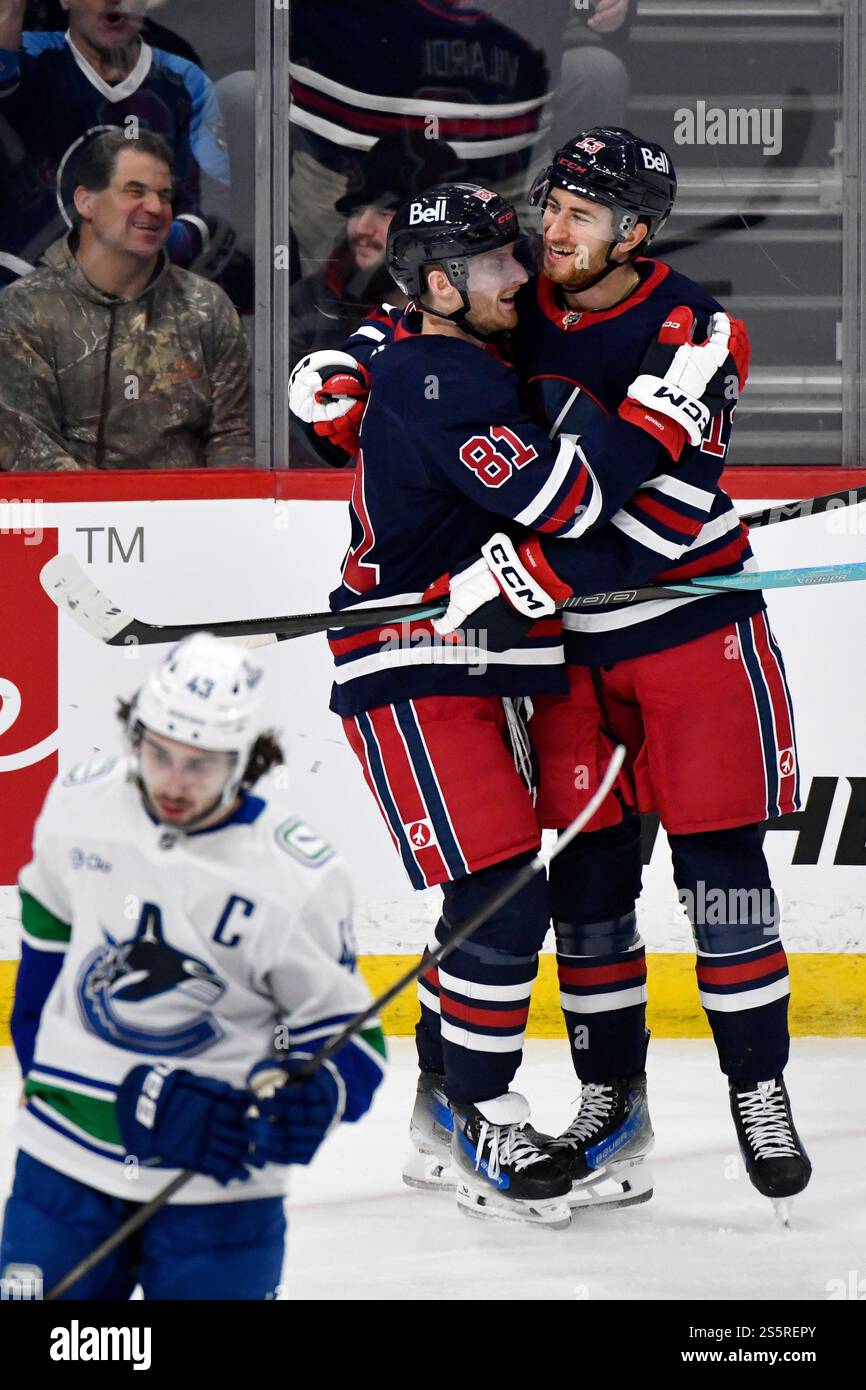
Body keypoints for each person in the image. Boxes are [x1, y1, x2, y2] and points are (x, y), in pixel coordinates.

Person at [290, 129, 812, 1222]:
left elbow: (625, 487)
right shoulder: (513, 302)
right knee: (583, 889)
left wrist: (522, 561)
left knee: (720, 872)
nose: (549, 234)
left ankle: (755, 1085)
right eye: (550, 207)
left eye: (577, 214)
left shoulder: (695, 331)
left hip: (683, 624)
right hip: (568, 649)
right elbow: (419, 313)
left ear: (633, 229)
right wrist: (347, 366)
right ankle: (609, 1104)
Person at [0, 633, 385, 1299]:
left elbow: (354, 1044)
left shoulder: (296, 877)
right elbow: (37, 1010)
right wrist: (130, 1107)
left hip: (222, 1190)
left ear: (245, 760)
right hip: (64, 1172)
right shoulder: (80, 811)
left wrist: (316, 1099)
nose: (172, 782)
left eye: (200, 764)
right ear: (136, 735)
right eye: (158, 754)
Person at [0, 128, 252, 470]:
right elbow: (31, 451)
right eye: (135, 191)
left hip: (192, 517)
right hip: (73, 519)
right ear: (85, 202)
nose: (155, 208)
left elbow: (233, 439)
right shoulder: (23, 310)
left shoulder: (207, 306)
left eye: (164, 196)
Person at [0, 0, 230, 286]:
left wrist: (144, 238)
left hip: (139, 302)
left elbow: (213, 208)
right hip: (26, 296)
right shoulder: (29, 54)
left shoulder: (184, 79)